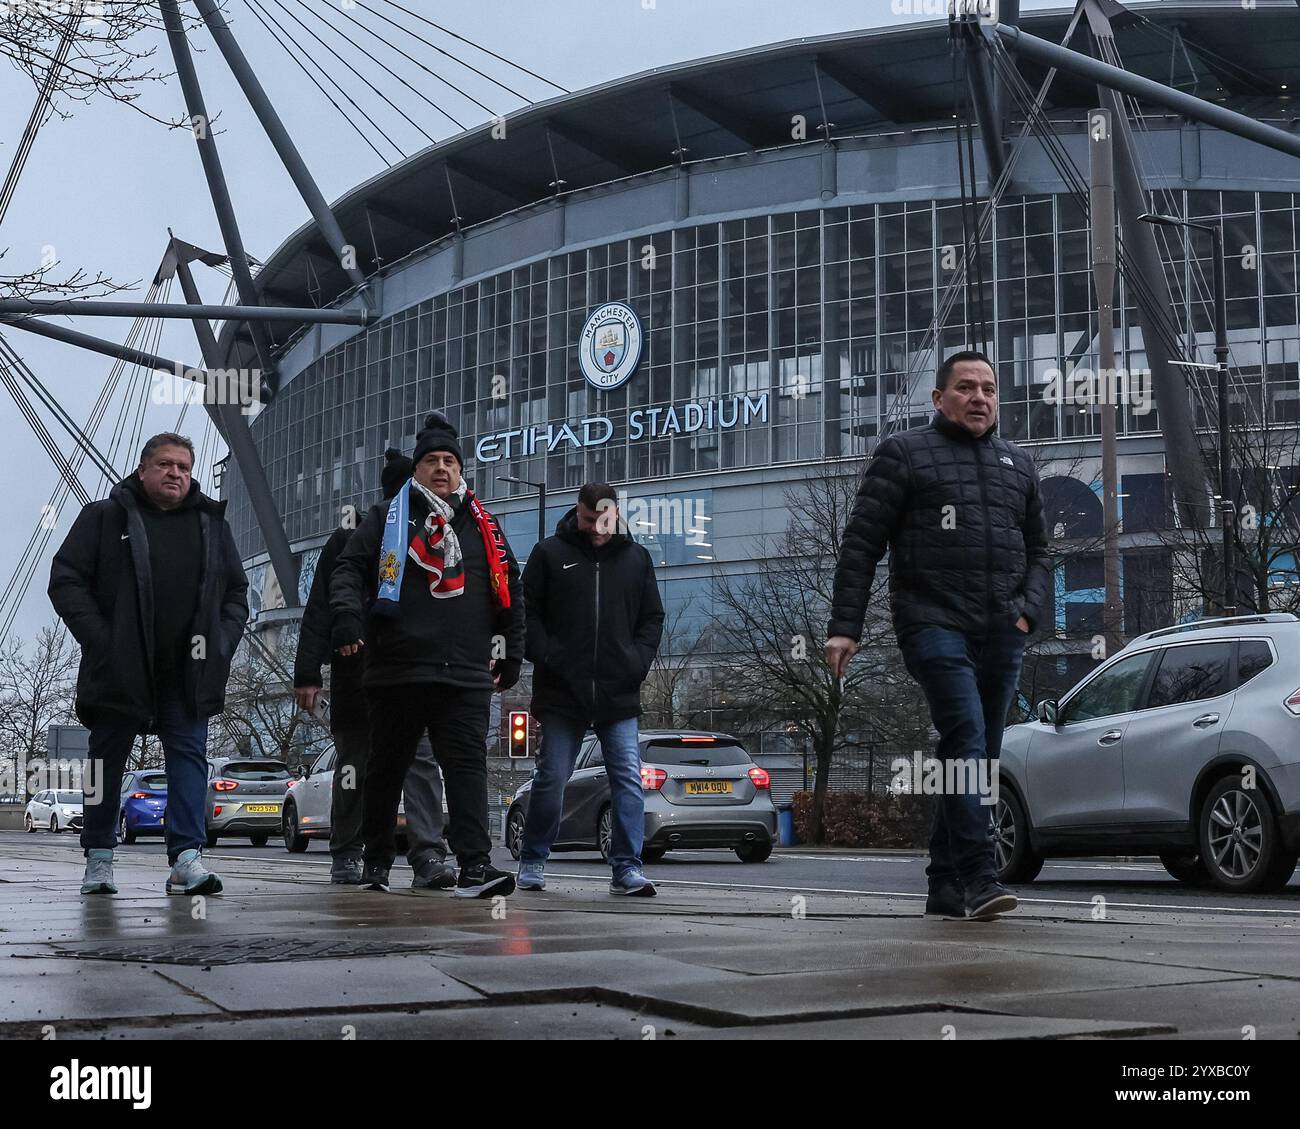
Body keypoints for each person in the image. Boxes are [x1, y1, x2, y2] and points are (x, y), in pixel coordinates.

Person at [825, 351, 1050, 921]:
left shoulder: (1018, 465)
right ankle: (979, 877)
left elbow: (1040, 551)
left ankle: (943, 882)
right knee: (967, 738)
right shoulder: (904, 454)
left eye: (990, 389)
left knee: (979, 754)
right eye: (967, 387)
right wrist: (844, 628)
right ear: (939, 399)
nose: (980, 398)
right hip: (932, 621)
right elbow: (861, 544)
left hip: (1002, 629)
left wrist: (1027, 612)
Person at [330, 412, 524, 897]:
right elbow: (350, 568)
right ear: (417, 469)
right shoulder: (388, 517)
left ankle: (476, 865)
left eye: (450, 461)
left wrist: (513, 647)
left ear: (461, 470)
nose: (442, 468)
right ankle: (376, 860)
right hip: (397, 668)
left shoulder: (485, 526)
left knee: (465, 767)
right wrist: (348, 617)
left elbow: (510, 589)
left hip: (463, 670)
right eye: (432, 461)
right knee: (387, 768)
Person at [49, 432, 249, 896]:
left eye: (183, 466)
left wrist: (219, 645)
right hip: (121, 669)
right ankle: (98, 858)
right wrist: (103, 642)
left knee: (188, 761)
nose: (175, 473)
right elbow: (66, 579)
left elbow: (237, 593)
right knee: (104, 764)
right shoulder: (104, 517)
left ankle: (186, 859)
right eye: (165, 464)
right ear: (143, 470)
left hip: (189, 670)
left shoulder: (211, 525)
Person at [293, 448, 454, 889]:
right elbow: (321, 608)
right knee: (357, 767)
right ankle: (348, 852)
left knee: (419, 762)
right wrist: (307, 671)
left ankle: (427, 854)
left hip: (415, 672)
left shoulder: (438, 533)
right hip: (358, 674)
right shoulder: (353, 537)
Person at [517, 483, 665, 896]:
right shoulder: (550, 554)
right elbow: (526, 615)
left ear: (615, 514)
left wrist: (636, 662)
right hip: (562, 691)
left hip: (618, 693)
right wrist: (549, 656)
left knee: (627, 780)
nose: (596, 528)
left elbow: (652, 618)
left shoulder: (636, 559)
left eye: (603, 519)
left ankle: (626, 868)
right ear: (576, 513)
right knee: (552, 777)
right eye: (587, 519)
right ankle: (533, 860)